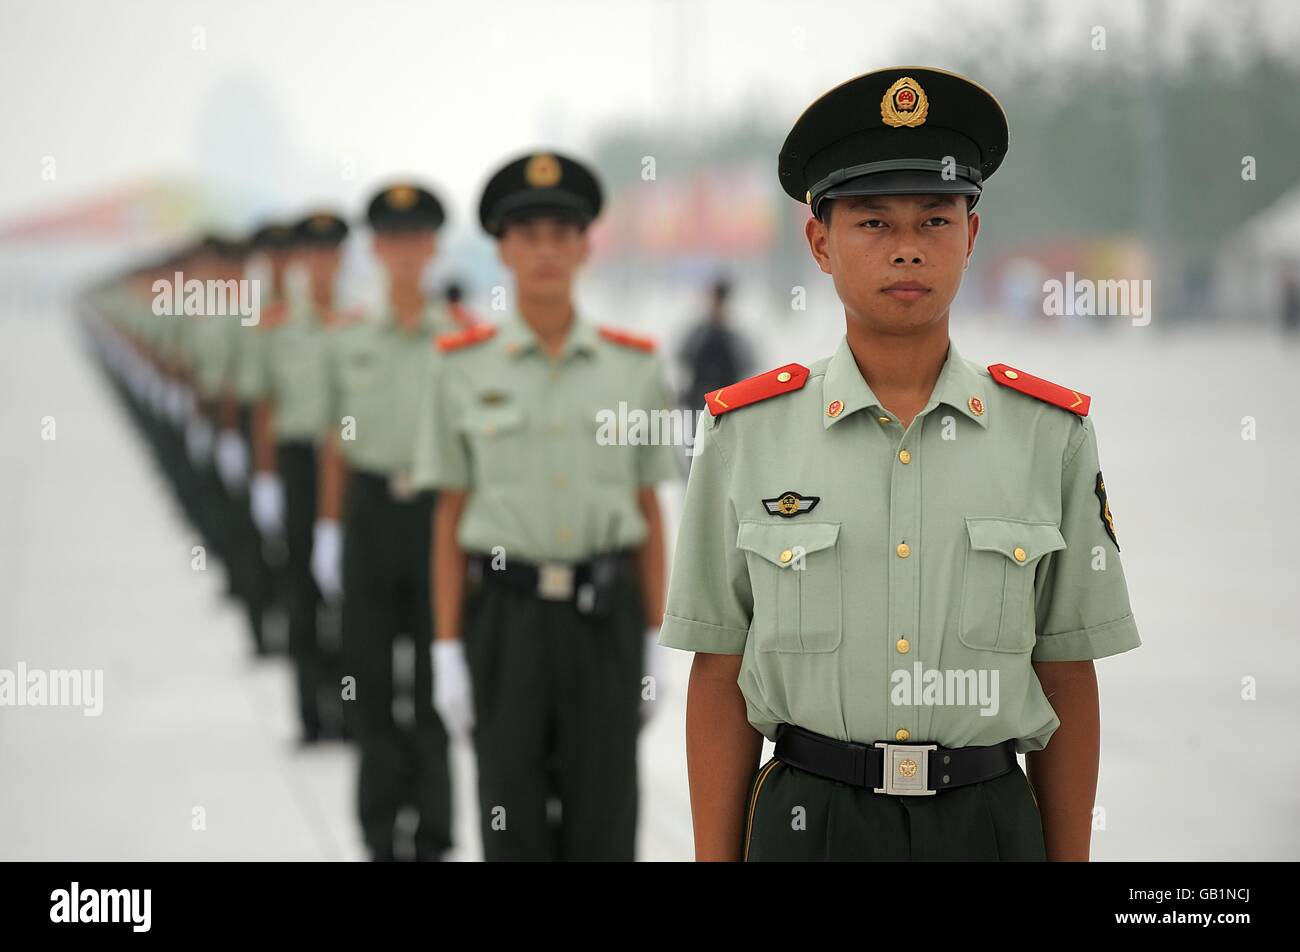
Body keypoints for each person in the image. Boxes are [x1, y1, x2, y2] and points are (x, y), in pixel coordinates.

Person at [659, 67, 1142, 861]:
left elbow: (1066, 672)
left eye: (935, 220)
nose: (909, 249)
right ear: (820, 242)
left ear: (971, 236)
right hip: (811, 825)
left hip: (986, 827)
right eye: (874, 223)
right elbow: (719, 673)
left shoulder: (1047, 435)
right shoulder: (745, 434)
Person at [413, 151, 680, 861]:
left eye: (562, 233)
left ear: (587, 245)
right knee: (511, 817)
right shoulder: (461, 365)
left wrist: (657, 637)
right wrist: (445, 651)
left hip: (606, 620)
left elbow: (648, 510)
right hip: (507, 620)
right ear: (502, 248)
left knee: (606, 820)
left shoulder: (635, 366)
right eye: (528, 234)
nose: (546, 251)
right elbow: (449, 517)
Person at [315, 184, 459, 860]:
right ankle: (379, 835)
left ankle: (431, 836)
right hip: (370, 518)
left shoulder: (461, 335)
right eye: (391, 239)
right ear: (376, 248)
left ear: (432, 247)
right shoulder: (347, 338)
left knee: (434, 688)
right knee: (370, 687)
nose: (404, 252)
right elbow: (334, 445)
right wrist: (327, 528)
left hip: (437, 519)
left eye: (417, 238)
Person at [242, 211, 352, 742]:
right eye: (316, 253)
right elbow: (265, 404)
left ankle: (352, 706)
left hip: (352, 464)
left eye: (334, 253)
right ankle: (311, 710)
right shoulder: (279, 325)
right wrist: (264, 478)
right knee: (303, 586)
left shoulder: (359, 322)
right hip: (298, 460)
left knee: (354, 594)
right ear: (305, 261)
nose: (325, 264)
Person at [676, 276, 754, 411]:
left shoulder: (733, 335)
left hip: (728, 398)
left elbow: (747, 364)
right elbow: (683, 356)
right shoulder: (700, 332)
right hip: (701, 398)